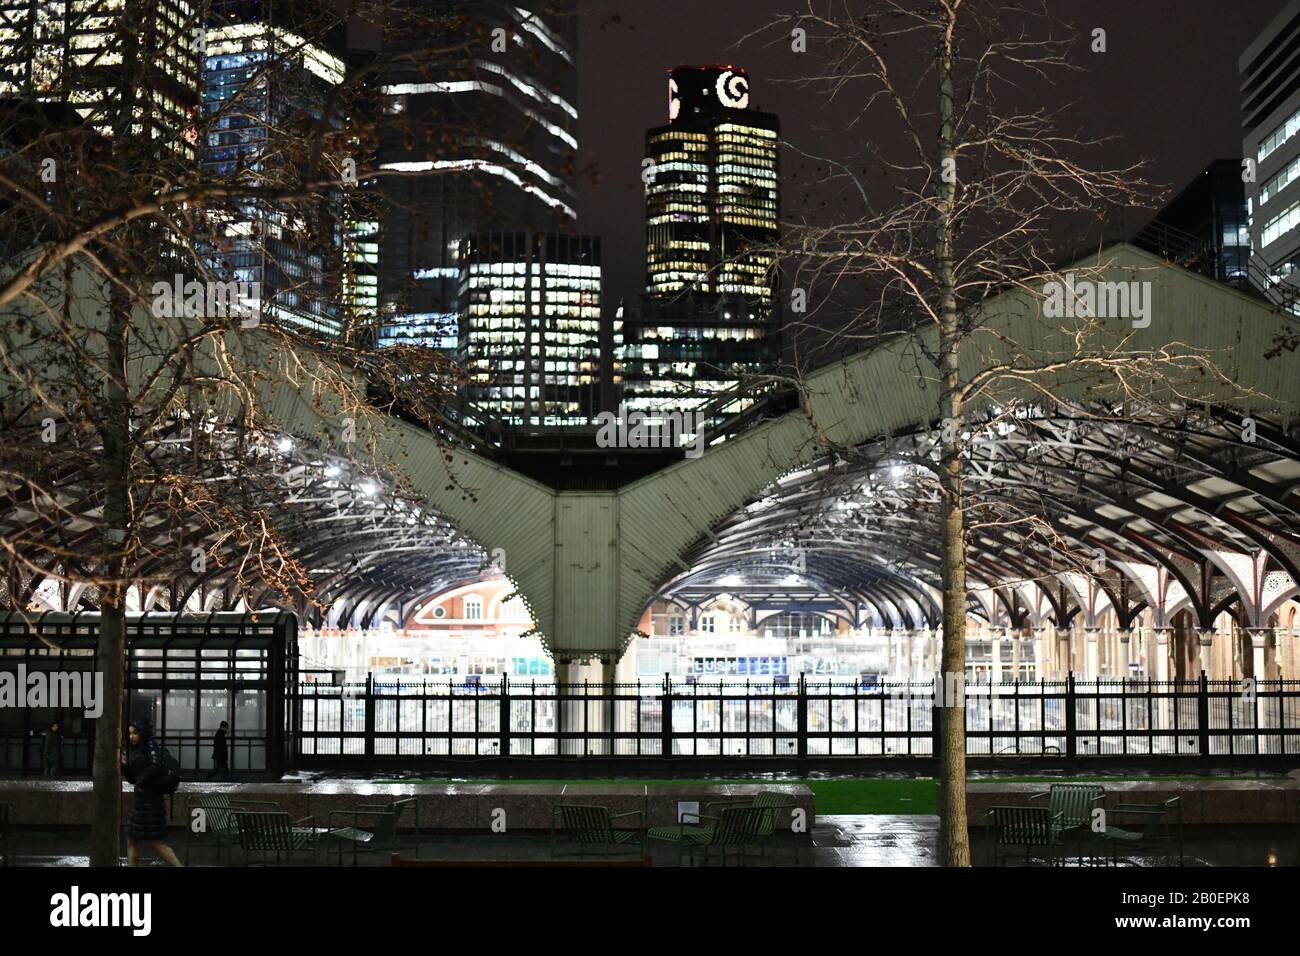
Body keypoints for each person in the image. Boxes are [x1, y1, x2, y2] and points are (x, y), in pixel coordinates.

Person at [121, 720, 182, 866]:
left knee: (156, 844)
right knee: (131, 839)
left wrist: (141, 783)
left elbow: (155, 767)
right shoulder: (138, 749)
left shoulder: (150, 746)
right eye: (130, 733)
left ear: (142, 733)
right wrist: (125, 766)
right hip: (142, 802)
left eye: (135, 733)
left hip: (151, 803)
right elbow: (133, 778)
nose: (131, 736)